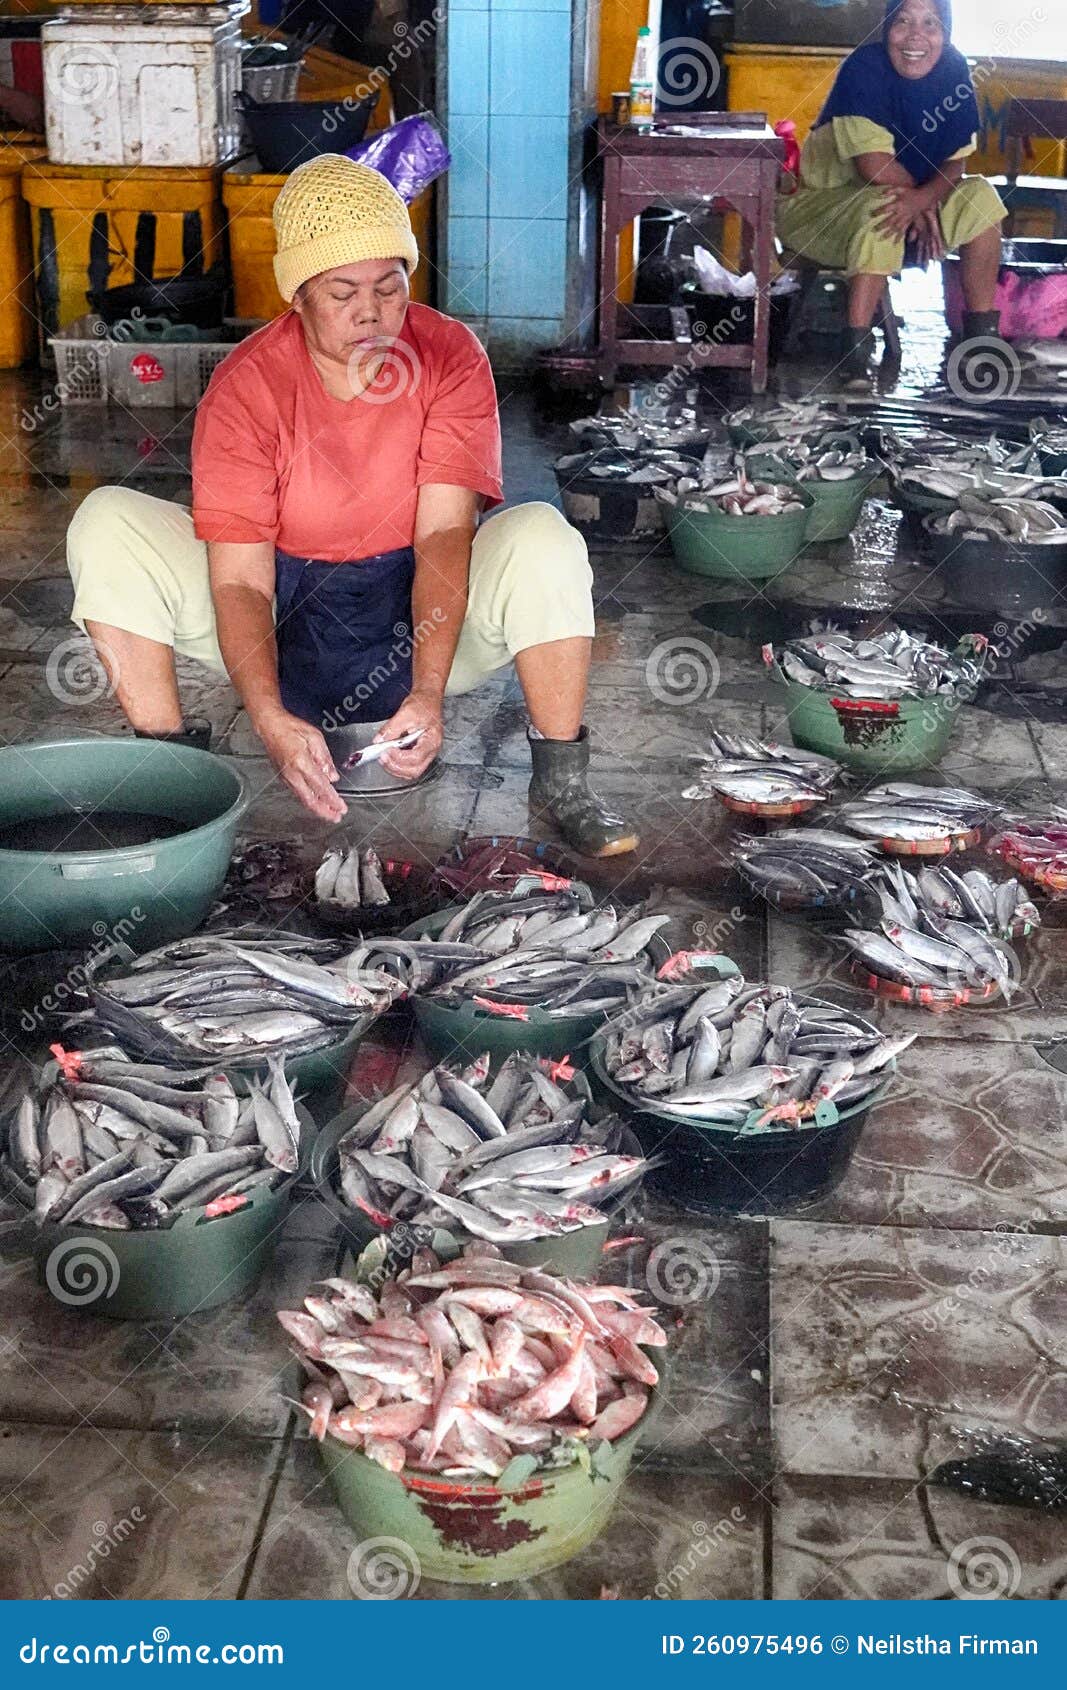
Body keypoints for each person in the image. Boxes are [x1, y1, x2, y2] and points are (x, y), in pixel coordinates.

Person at [65, 155, 637, 859]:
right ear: (296, 296)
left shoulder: (449, 355)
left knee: (544, 537)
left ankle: (561, 781)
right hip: (278, 614)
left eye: (389, 287)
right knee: (107, 522)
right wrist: (268, 715)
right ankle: (170, 779)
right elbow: (241, 579)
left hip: (418, 617)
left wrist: (429, 692)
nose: (371, 312)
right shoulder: (247, 387)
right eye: (341, 292)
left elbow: (444, 536)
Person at [777, 0, 1006, 380]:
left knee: (981, 197)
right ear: (886, 27)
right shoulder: (863, 69)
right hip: (817, 212)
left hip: (910, 208)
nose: (916, 36)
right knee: (886, 204)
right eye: (903, 22)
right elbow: (873, 166)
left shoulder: (953, 69)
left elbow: (957, 162)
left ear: (945, 31)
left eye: (930, 23)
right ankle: (854, 352)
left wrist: (923, 200)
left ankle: (980, 338)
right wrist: (922, 204)